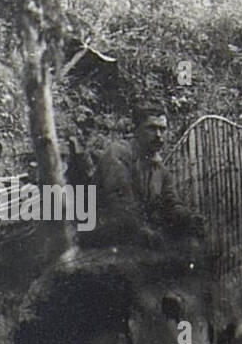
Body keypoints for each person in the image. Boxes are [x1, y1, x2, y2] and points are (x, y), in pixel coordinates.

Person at [81, 99, 206, 255]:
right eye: (152, 128)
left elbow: (171, 202)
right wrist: (144, 231)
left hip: (134, 233)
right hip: (103, 235)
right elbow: (120, 202)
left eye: (162, 129)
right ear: (137, 130)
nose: (159, 135)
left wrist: (188, 217)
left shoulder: (159, 169)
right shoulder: (119, 153)